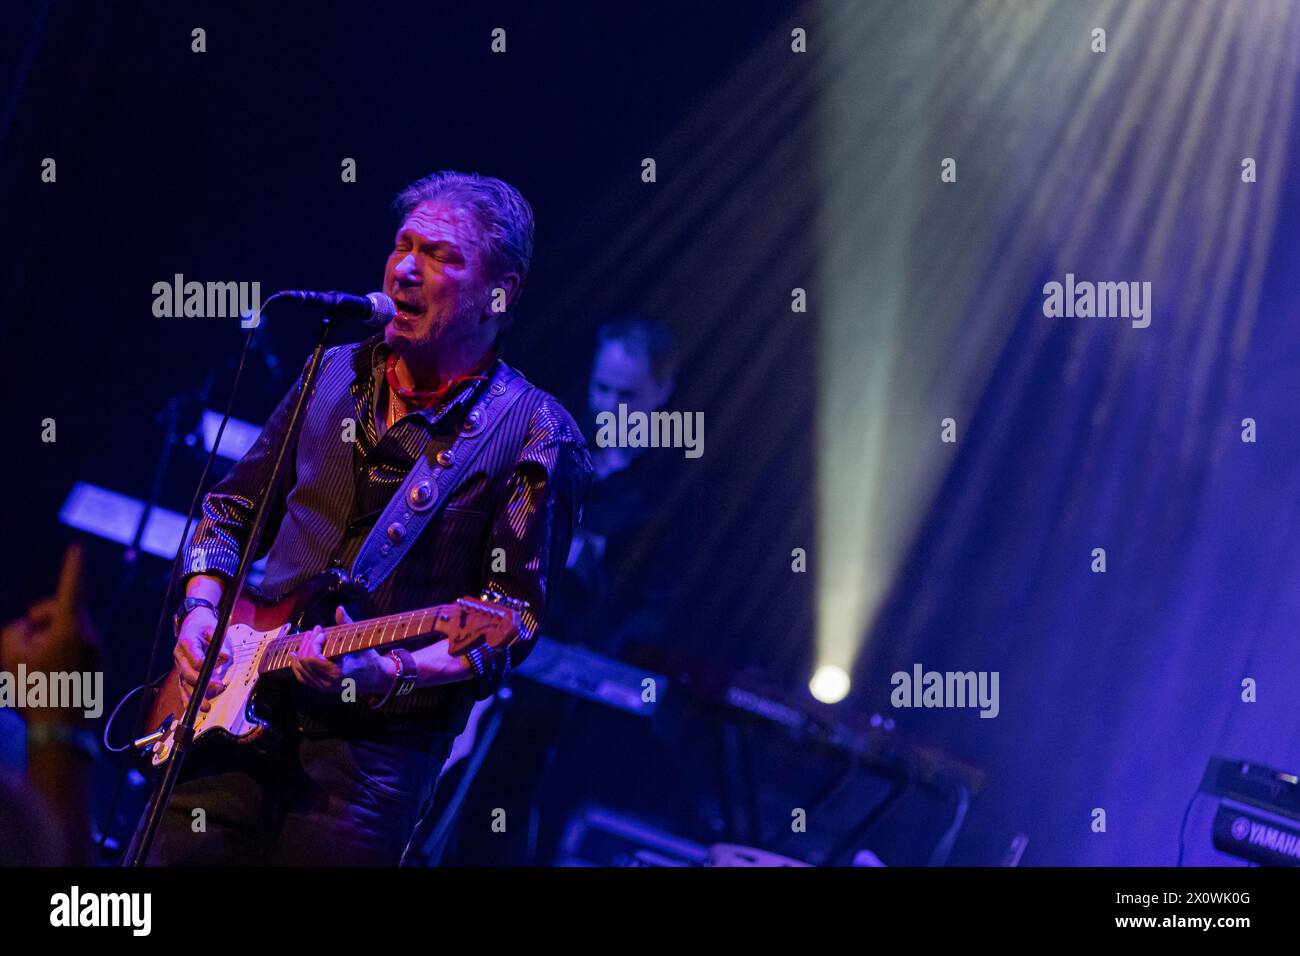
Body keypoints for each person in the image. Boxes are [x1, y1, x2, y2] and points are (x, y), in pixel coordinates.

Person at [132, 170, 592, 865]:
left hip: (367, 769)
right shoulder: (330, 371)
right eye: (402, 244)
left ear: (501, 294)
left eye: (441, 255)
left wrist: (396, 670)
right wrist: (200, 611)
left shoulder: (537, 435)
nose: (406, 267)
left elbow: (507, 620)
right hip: (227, 711)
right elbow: (230, 511)